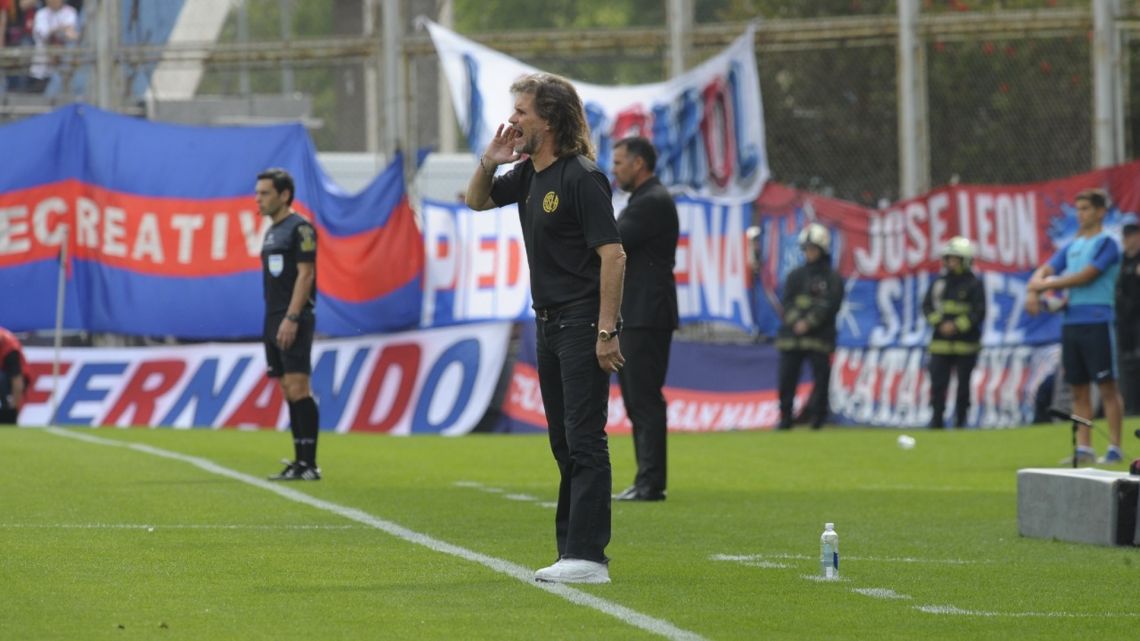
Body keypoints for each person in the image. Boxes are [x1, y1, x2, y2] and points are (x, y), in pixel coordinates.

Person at [466, 72, 624, 584]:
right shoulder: (528, 174)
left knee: (584, 439)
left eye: (522, 112)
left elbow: (614, 256)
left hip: (581, 321)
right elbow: (475, 200)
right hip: (547, 322)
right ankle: (571, 551)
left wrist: (606, 331)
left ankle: (589, 557)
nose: (512, 120)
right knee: (563, 441)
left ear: (550, 119)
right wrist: (490, 160)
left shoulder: (581, 176)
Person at [1027, 189, 1124, 464]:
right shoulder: (1072, 246)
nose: (1080, 214)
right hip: (1072, 323)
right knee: (1078, 389)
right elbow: (1047, 268)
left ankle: (1114, 447)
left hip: (1097, 320)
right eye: (1078, 209)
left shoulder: (1108, 242)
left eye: (1086, 208)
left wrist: (1042, 286)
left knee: (1106, 386)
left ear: (1100, 212)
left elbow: (1086, 276)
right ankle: (1084, 447)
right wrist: (1034, 288)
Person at [609, 136, 678, 503]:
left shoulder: (651, 202)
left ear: (638, 164)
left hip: (646, 313)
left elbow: (612, 241)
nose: (614, 169)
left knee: (644, 398)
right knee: (638, 399)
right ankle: (646, 479)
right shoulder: (645, 199)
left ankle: (651, 482)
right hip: (641, 312)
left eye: (619, 162)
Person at [256, 168, 322, 481]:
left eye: (265, 193)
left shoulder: (301, 229)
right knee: (287, 388)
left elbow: (306, 275)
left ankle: (310, 464)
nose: (258, 199)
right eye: (257, 193)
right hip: (273, 317)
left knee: (299, 387)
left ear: (284, 195)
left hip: (293, 317)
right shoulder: (273, 231)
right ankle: (299, 461)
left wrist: (292, 317)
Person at [775, 223, 843, 430]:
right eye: (806, 249)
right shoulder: (795, 276)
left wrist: (808, 322)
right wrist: (796, 321)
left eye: (813, 248)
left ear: (822, 250)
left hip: (819, 338)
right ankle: (785, 417)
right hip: (792, 337)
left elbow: (831, 304)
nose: (809, 253)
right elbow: (787, 302)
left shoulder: (832, 278)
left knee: (821, 379)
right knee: (787, 377)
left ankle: (818, 419)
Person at [921, 236, 986, 428]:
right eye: (948, 258)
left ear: (965, 260)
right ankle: (936, 421)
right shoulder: (939, 283)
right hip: (940, 345)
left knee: (963, 387)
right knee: (938, 385)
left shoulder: (974, 284)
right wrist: (940, 324)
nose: (951, 262)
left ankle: (961, 422)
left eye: (955, 259)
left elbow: (978, 312)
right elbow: (927, 307)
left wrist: (956, 326)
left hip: (966, 346)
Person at [1115, 221, 1140, 415]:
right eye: (1125, 237)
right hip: (1124, 321)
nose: (1127, 240)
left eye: (1130, 236)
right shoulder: (1119, 262)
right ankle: (1131, 408)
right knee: (1127, 365)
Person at [29, 0, 78, 93]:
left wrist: (59, 31)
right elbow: (43, 34)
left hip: (62, 63)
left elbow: (71, 35)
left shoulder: (70, 11)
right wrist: (61, 29)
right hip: (43, 65)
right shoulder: (41, 13)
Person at [0, 326, 30, 425]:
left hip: (12, 379)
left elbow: (17, 381)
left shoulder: (10, 350)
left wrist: (13, 410)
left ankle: (6, 412)